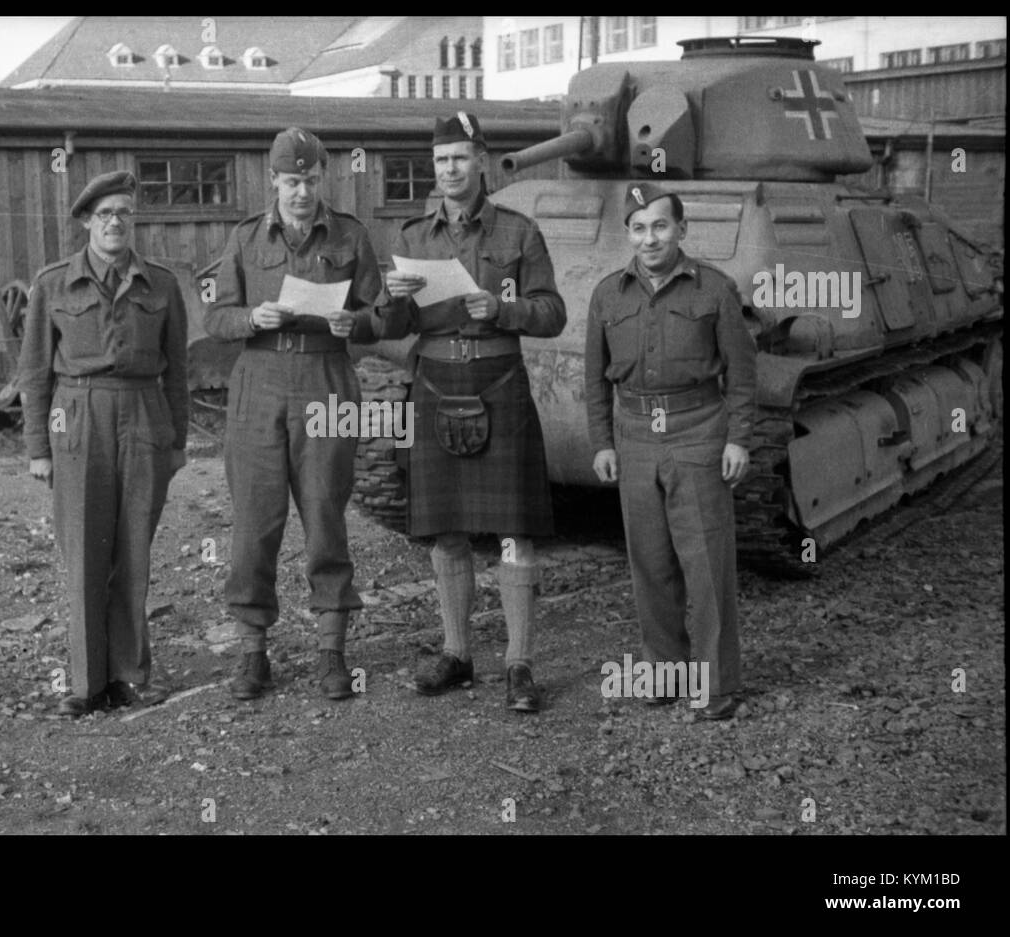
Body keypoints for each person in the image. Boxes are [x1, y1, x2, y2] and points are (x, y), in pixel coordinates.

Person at [375, 112, 566, 712]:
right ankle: (457, 655)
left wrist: (502, 310)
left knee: (513, 533)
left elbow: (552, 312)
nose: (450, 170)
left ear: (481, 160)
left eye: (460, 158)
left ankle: (518, 664)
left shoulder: (519, 231)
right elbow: (390, 325)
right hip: (434, 379)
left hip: (498, 378)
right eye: (441, 160)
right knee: (445, 529)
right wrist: (392, 302)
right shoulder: (411, 237)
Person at [205, 127, 382, 701]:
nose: (301, 192)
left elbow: (380, 314)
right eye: (291, 181)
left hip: (327, 377)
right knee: (255, 522)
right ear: (273, 181)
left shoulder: (351, 236)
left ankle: (332, 651)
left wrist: (355, 324)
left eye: (310, 180)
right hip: (259, 380)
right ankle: (252, 654)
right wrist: (250, 319)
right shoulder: (244, 238)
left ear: (321, 178)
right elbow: (214, 316)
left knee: (326, 515)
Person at [584, 181, 757, 721]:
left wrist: (738, 437)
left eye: (660, 225)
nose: (650, 237)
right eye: (639, 228)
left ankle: (715, 684)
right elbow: (594, 379)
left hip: (698, 432)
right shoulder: (607, 294)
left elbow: (744, 372)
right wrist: (601, 443)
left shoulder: (714, 289)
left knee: (705, 565)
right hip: (635, 435)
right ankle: (664, 672)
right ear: (628, 234)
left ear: (681, 230)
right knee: (650, 564)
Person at [18, 170, 188, 717]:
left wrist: (178, 442)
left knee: (134, 548)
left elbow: (178, 372)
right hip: (78, 414)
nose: (115, 222)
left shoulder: (160, 283)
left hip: (143, 414)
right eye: (105, 214)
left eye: (124, 213)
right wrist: (38, 449)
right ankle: (87, 683)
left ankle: (131, 676)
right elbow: (34, 373)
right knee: (85, 550)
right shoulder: (51, 284)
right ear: (88, 222)